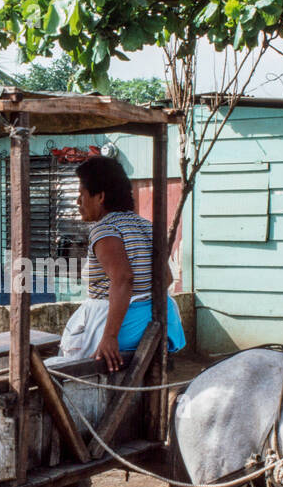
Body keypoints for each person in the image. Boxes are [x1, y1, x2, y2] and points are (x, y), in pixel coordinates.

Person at [55, 155, 186, 369]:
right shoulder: (147, 226)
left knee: (57, 371)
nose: (78, 201)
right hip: (157, 325)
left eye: (81, 194)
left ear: (100, 197)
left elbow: (123, 279)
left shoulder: (105, 229)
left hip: (120, 328)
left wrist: (110, 337)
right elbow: (167, 278)